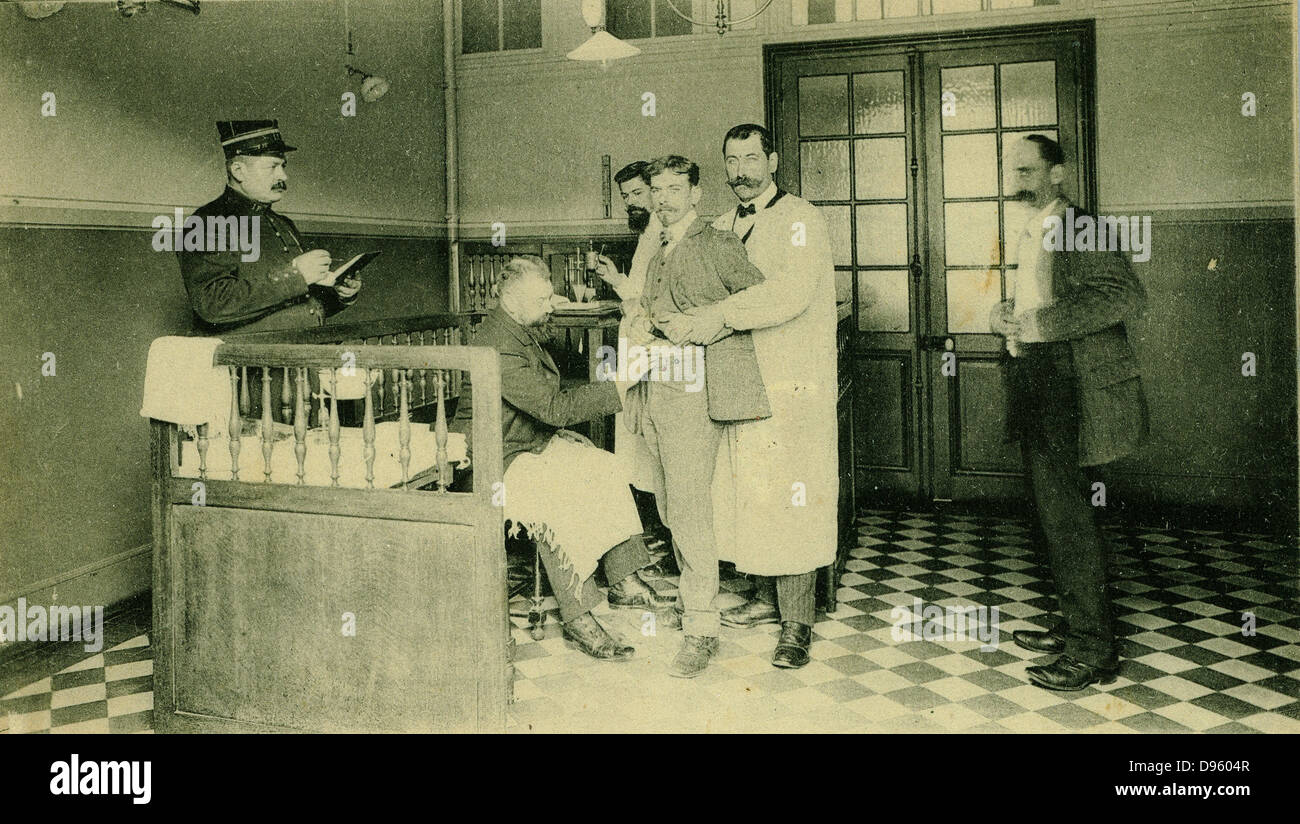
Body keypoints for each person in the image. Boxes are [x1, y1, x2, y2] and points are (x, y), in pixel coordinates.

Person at [665, 124, 839, 670]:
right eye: (731, 161)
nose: (740, 170)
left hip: (790, 382)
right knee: (748, 492)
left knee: (793, 494)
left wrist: (714, 317)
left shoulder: (801, 219)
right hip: (738, 381)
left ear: (773, 160)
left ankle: (797, 624)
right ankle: (765, 599)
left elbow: (787, 294)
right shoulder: (718, 225)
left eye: (750, 158)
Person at [989, 134, 1148, 691]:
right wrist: (1005, 313)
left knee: (1069, 520)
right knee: (1056, 517)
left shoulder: (1082, 225)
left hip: (1071, 388)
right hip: (1040, 381)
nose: (1019, 180)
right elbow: (1036, 298)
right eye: (1015, 171)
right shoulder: (1033, 228)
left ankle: (1091, 651)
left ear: (1058, 175)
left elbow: (1122, 296)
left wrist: (1038, 325)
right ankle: (1076, 625)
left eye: (1030, 171)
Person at [453, 256, 670, 660]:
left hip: (520, 443)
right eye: (543, 298)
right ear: (513, 302)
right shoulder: (498, 343)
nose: (552, 303)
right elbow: (552, 406)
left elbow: (535, 408)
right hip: (492, 459)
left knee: (602, 466)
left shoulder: (517, 327)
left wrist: (558, 433)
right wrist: (622, 379)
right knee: (555, 498)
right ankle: (578, 617)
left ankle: (624, 579)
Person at [629, 154, 771, 678]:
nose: (664, 199)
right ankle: (696, 602)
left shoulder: (715, 241)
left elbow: (758, 297)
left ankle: (701, 627)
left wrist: (710, 323)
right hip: (656, 381)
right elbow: (649, 308)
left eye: (674, 189)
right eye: (656, 190)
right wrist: (645, 325)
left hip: (694, 387)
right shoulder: (661, 245)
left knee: (687, 507)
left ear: (695, 195)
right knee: (668, 503)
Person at [178, 119, 360, 335]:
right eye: (272, 166)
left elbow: (300, 306)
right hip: (245, 367)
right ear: (238, 171)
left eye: (283, 166)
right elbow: (212, 304)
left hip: (296, 361)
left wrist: (339, 294)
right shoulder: (207, 221)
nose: (283, 176)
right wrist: (296, 275)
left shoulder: (283, 224)